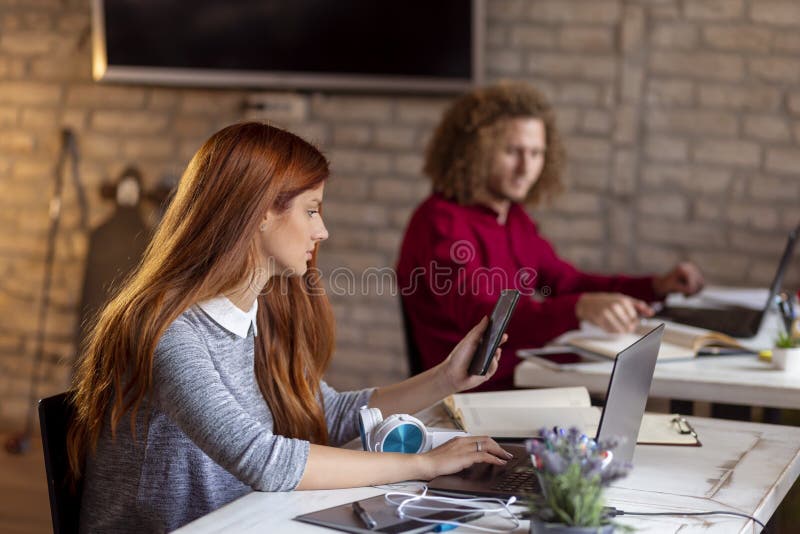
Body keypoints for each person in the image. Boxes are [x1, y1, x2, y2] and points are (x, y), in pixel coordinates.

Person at [67, 122, 512, 533]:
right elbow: (266, 461)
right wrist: (423, 465)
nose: (323, 231)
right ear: (260, 212)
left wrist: (447, 377)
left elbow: (329, 414)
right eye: (311, 210)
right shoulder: (171, 331)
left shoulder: (254, 313)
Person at [396, 83, 704, 391]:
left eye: (536, 153)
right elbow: (483, 318)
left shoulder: (514, 218)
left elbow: (566, 282)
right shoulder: (440, 223)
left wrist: (655, 286)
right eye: (512, 151)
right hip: (475, 395)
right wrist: (579, 308)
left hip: (527, 374)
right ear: (475, 152)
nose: (526, 168)